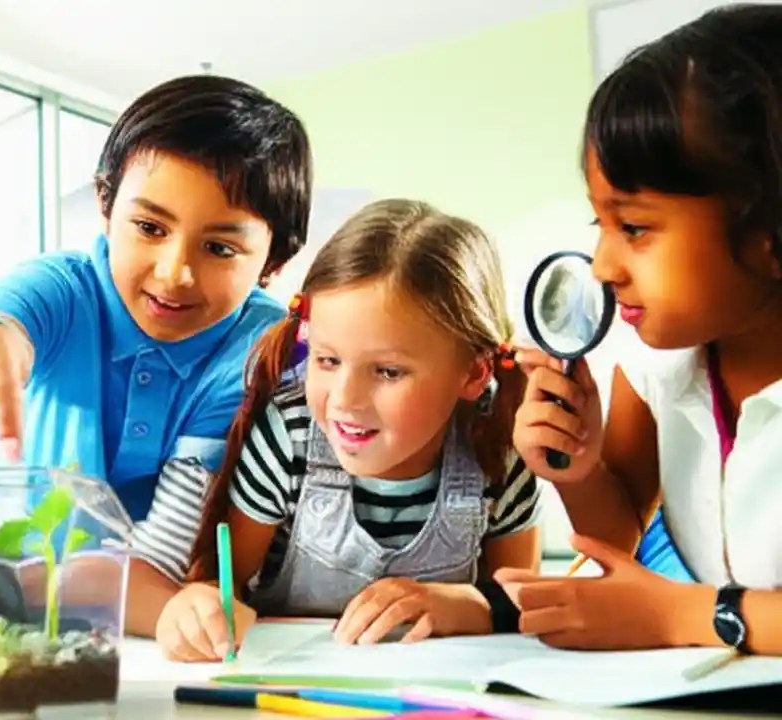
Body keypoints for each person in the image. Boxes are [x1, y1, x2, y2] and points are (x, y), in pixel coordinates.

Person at [0, 75, 314, 634]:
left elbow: (170, 547)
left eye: (219, 248)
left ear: (273, 261)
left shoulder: (256, 347)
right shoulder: (58, 290)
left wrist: (46, 589)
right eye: (149, 227)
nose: (175, 273)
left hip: (138, 619)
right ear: (106, 206)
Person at [148, 199, 541, 661]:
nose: (344, 400)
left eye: (389, 372)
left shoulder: (497, 442)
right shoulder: (289, 435)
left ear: (474, 374)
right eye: (327, 360)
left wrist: (468, 605)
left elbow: (524, 600)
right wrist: (198, 604)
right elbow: (221, 583)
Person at [507, 4, 782, 655]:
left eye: (634, 227)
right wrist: (578, 469)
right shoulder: (661, 362)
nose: (603, 266)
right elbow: (621, 535)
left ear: (771, 234)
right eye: (597, 226)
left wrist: (688, 617)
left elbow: (675, 613)